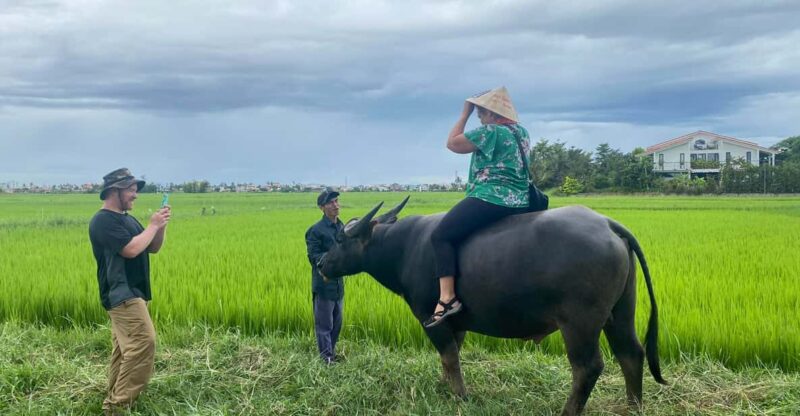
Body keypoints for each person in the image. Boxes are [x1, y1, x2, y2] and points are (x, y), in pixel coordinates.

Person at [424, 87, 531, 328]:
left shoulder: (491, 131)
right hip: (520, 199)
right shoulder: (521, 132)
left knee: (440, 235)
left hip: (492, 196)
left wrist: (464, 114)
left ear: (493, 114)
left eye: (481, 113)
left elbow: (453, 143)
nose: (480, 118)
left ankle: (447, 298)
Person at [88, 168, 171, 415]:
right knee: (143, 343)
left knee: (124, 349)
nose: (135, 195)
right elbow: (130, 250)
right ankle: (118, 406)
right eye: (132, 189)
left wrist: (160, 226)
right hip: (121, 294)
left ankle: (114, 397)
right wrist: (152, 224)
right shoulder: (103, 220)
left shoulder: (128, 219)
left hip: (135, 292)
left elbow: (151, 247)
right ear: (115, 190)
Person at [305, 187, 345, 364]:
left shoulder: (342, 226)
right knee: (324, 326)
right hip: (323, 285)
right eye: (331, 202)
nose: (336, 205)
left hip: (338, 286)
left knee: (337, 324)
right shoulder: (316, 231)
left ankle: (331, 354)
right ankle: (326, 360)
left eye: (337, 201)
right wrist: (333, 259)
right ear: (322, 207)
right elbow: (314, 257)